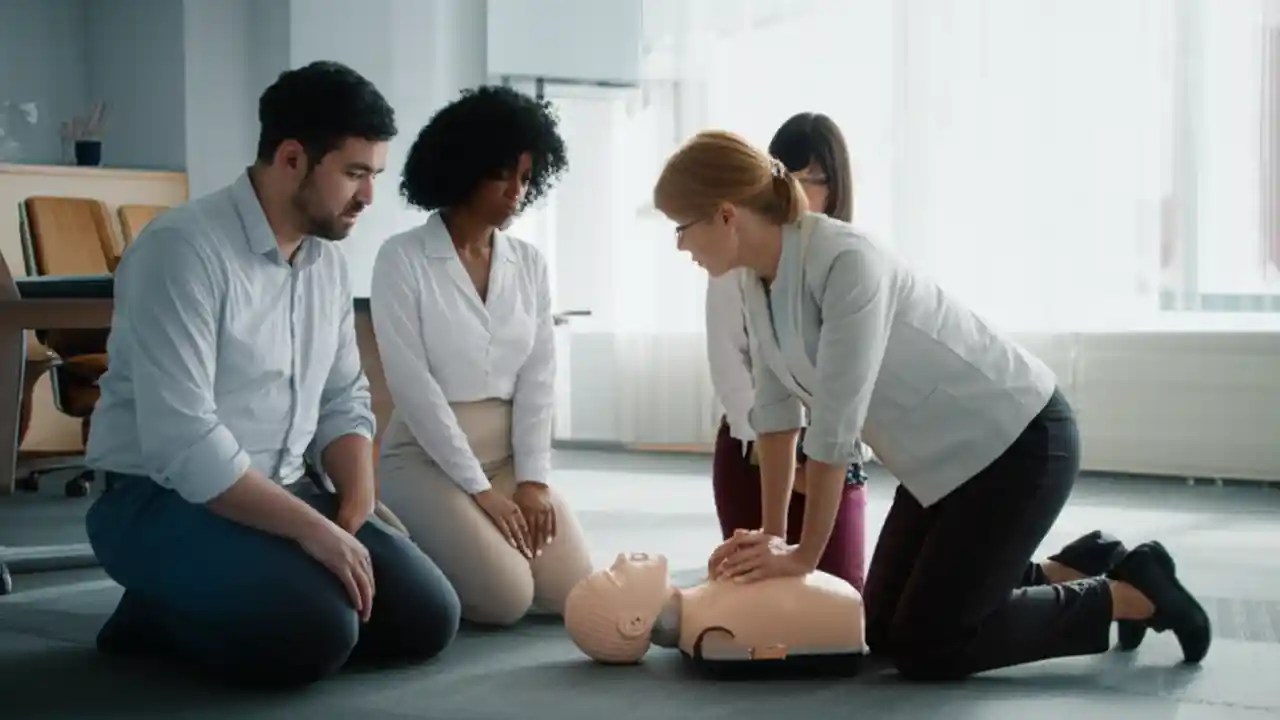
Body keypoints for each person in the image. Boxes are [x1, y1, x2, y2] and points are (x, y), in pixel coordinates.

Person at [652, 129, 1211, 680]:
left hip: (1018, 443)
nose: (680, 246)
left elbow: (836, 427)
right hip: (939, 469)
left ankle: (1129, 594)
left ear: (727, 215)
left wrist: (801, 557)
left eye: (682, 228)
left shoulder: (847, 260)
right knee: (883, 629)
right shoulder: (756, 281)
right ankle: (1076, 566)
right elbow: (776, 416)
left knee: (932, 646)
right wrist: (774, 536)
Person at [82, 61, 461, 688]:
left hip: (282, 491)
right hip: (158, 500)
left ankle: (231, 590)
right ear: (291, 158)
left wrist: (355, 504)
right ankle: (151, 611)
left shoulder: (326, 265)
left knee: (428, 619)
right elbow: (185, 442)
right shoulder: (182, 250)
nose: (370, 196)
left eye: (375, 175)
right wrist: (317, 532)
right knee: (317, 632)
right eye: (355, 173)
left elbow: (343, 398)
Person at [371, 85, 593, 626]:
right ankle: (404, 539)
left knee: (576, 593)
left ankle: (468, 542)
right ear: (464, 168)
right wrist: (479, 493)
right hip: (427, 459)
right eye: (503, 175)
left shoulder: (530, 263)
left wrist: (534, 483)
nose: (517, 191)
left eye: (526, 177)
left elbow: (540, 378)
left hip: (509, 460)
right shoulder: (402, 259)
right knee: (506, 599)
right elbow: (413, 389)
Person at [705, 112, 868, 592]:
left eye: (817, 180)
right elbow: (731, 367)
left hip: (831, 454)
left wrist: (820, 468)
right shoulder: (738, 258)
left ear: (837, 187)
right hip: (756, 449)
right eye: (791, 178)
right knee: (757, 593)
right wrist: (775, 456)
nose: (804, 193)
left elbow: (855, 390)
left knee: (844, 598)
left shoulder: (849, 260)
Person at [563, 545, 865, 667]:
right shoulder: (710, 636)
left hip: (842, 605)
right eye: (617, 575)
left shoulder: (702, 605)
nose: (621, 558)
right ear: (635, 622)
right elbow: (765, 649)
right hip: (843, 615)